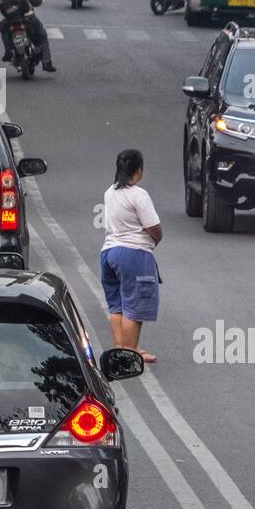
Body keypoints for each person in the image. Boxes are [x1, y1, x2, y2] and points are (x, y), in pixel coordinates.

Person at [99, 148, 162, 363]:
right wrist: (154, 239)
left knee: (117, 304)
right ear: (139, 170)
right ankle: (131, 352)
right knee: (134, 306)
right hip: (133, 253)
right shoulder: (139, 195)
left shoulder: (109, 192)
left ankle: (121, 348)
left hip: (108, 253)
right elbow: (154, 227)